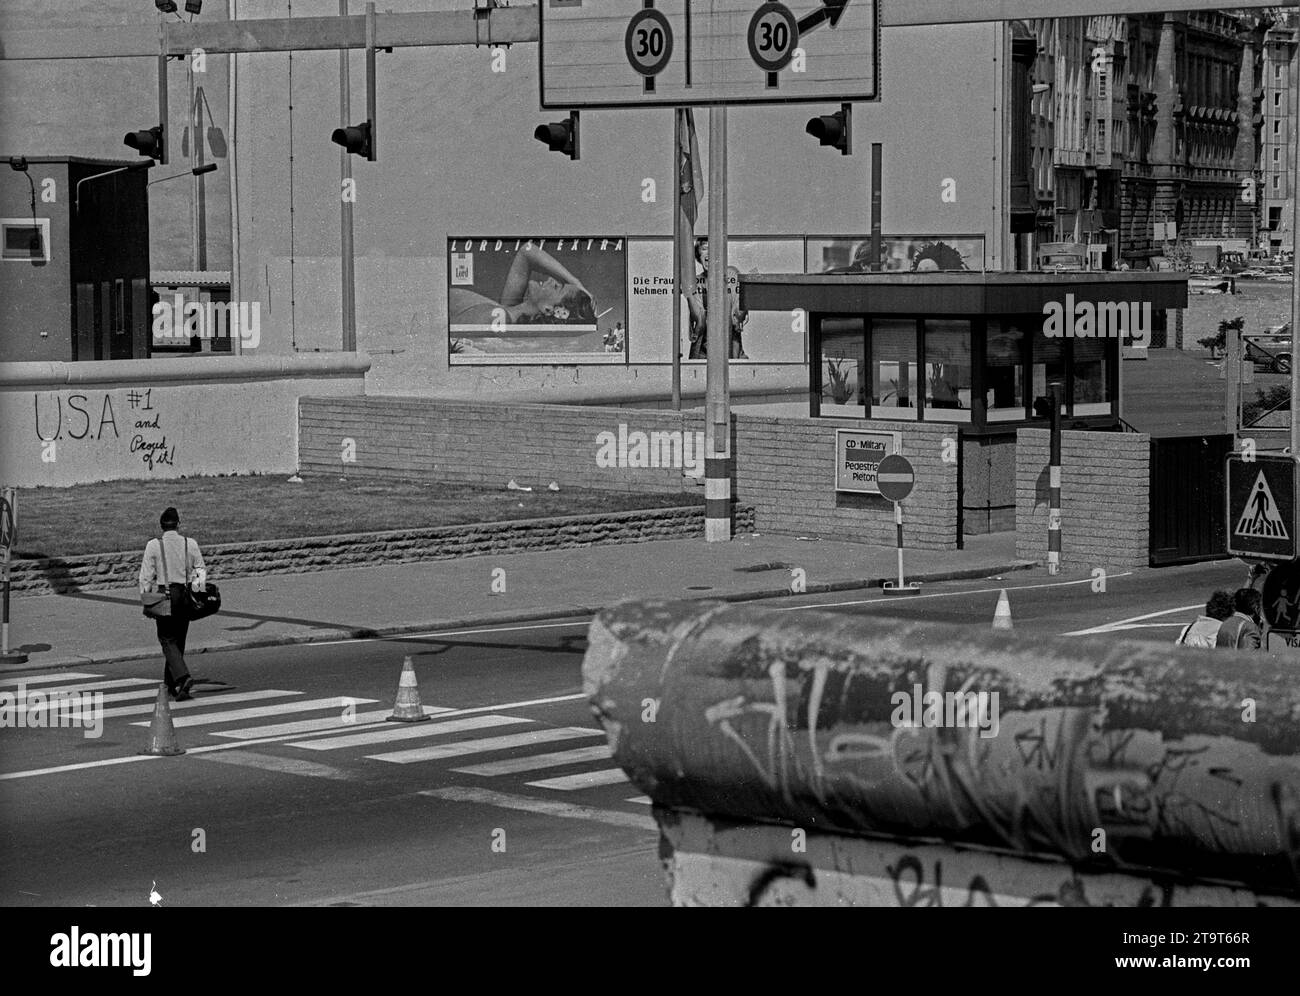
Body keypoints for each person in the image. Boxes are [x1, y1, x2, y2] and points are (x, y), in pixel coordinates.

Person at [139, 507, 206, 700]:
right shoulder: (190, 543)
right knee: (179, 639)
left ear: (161, 526)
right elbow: (200, 569)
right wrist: (198, 593)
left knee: (167, 639)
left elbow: (145, 576)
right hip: (185, 594)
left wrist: (146, 599)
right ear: (178, 525)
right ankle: (171, 684)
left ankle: (182, 677)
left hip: (165, 594)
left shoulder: (153, 545)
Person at [448, 245, 596, 330]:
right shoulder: (509, 309)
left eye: (557, 287)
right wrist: (577, 282)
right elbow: (527, 251)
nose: (551, 279)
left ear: (548, 309)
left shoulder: (501, 317)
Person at [686, 237, 749, 360]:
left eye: (713, 249)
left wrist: (742, 307)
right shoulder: (696, 282)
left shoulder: (731, 275)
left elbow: (737, 316)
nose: (709, 253)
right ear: (699, 255)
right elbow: (699, 321)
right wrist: (689, 296)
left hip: (730, 352)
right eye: (704, 249)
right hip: (702, 354)